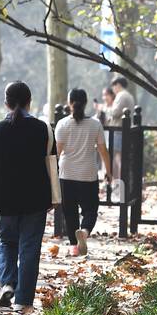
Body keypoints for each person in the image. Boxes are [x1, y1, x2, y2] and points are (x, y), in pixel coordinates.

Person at [0, 79, 55, 315]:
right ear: (29, 102)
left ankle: (7, 283)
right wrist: (54, 196)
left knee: (6, 242)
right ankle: (23, 300)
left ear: (6, 103)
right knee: (30, 248)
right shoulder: (42, 129)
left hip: (6, 199)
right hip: (36, 198)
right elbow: (52, 164)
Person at [55, 88, 111, 257]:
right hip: (88, 173)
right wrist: (109, 171)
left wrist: (50, 175)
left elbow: (56, 153)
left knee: (69, 211)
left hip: (67, 173)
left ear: (69, 103)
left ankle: (74, 247)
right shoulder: (95, 124)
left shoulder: (62, 124)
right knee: (91, 209)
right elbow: (103, 150)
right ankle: (84, 232)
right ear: (86, 103)